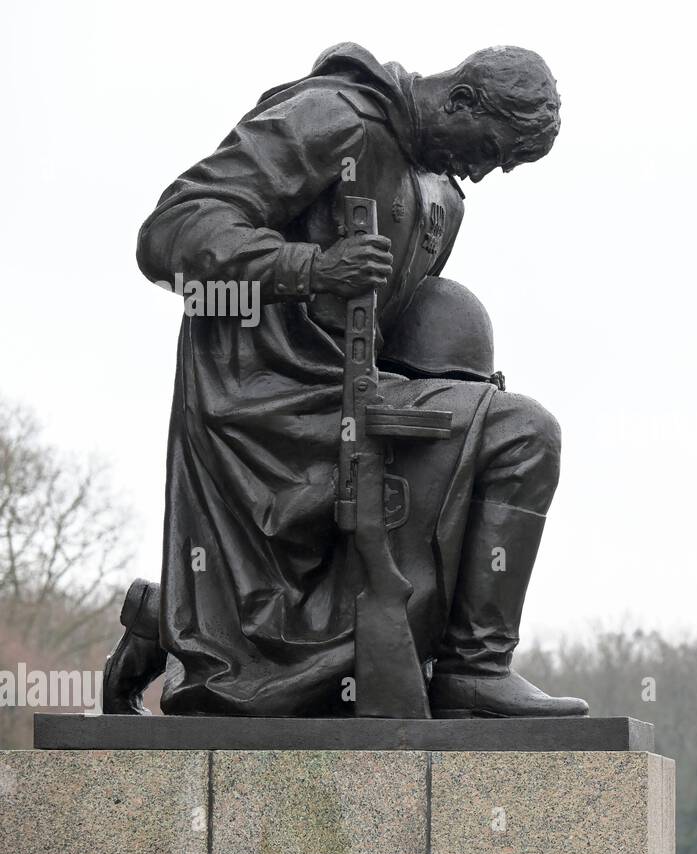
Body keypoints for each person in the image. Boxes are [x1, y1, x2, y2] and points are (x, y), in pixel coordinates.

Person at [102, 44, 586, 718]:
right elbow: (171, 237)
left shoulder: (443, 197)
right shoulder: (333, 115)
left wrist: (467, 380)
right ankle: (470, 668)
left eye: (503, 165)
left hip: (361, 398)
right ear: (462, 101)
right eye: (489, 149)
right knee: (525, 433)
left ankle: (469, 667)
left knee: (507, 430)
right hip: (258, 408)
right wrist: (311, 268)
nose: (484, 173)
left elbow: (403, 326)